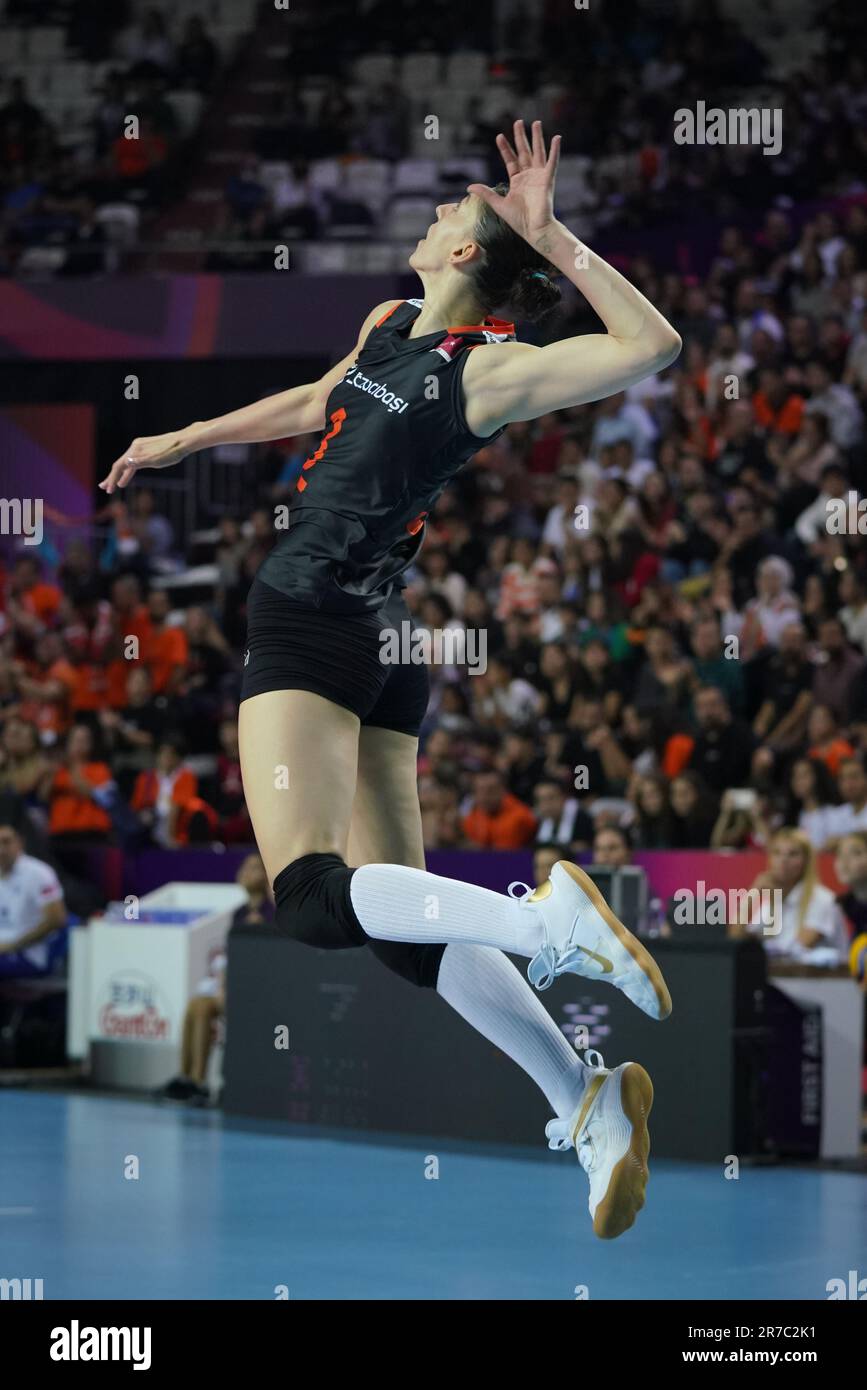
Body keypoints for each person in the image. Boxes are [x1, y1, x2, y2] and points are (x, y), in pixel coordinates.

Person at [100, 120, 680, 1241]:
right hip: (378, 648)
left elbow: (651, 346)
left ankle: (549, 922)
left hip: (312, 623)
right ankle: (584, 1097)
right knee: (407, 933)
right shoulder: (388, 328)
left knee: (314, 899)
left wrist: (553, 236)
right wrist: (186, 436)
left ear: (467, 255)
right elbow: (321, 402)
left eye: (447, 213)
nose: (428, 216)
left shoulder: (491, 371)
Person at [157, 853, 270, 1103]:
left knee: (204, 1008)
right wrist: (222, 986)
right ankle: (186, 1077)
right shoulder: (239, 914)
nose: (248, 872)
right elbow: (230, 959)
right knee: (195, 1005)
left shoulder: (273, 913)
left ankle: (199, 1082)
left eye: (255, 868)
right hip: (232, 989)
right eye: (246, 867)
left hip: (260, 994)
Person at [738, 827, 844, 957]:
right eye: (777, 853)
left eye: (793, 854)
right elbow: (736, 939)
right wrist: (752, 894)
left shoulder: (822, 899)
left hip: (823, 976)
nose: (784, 859)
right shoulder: (770, 903)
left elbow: (796, 950)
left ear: (806, 861)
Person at [0, 821, 66, 974]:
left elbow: (56, 919)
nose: (1, 849)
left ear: (20, 843)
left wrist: (12, 945)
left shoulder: (39, 873)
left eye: (6, 842)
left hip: (26, 953)